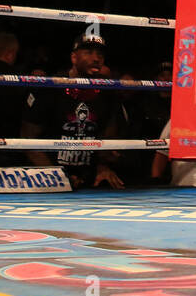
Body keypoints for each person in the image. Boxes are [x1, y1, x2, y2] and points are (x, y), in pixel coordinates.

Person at [21, 36, 127, 190]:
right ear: (74, 57)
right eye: (89, 52)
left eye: (100, 55)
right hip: (47, 175)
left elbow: (110, 137)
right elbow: (27, 139)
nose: (96, 58)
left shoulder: (107, 90)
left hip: (90, 177)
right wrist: (56, 176)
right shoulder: (50, 87)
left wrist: (102, 166)